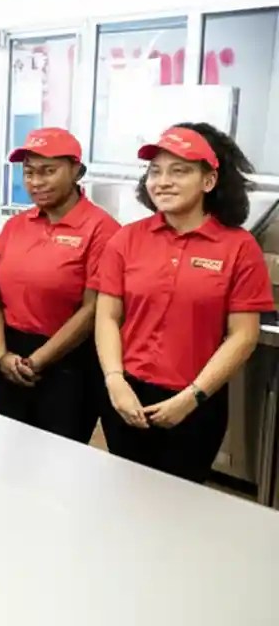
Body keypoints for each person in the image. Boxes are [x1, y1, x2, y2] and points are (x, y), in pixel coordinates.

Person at [95, 123, 274, 483]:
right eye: (155, 171)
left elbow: (243, 335)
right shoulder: (126, 240)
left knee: (178, 507)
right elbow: (108, 316)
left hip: (195, 401)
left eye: (180, 171)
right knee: (123, 494)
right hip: (126, 393)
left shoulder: (238, 248)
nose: (163, 181)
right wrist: (115, 381)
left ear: (208, 182)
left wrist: (192, 398)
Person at [0, 128, 120, 441]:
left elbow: (93, 310)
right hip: (9, 355)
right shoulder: (15, 226)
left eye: (49, 171)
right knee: (12, 451)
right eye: (29, 172)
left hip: (68, 361)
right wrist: (0, 353)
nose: (36, 181)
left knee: (60, 464)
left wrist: (39, 360)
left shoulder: (103, 230)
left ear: (77, 171)